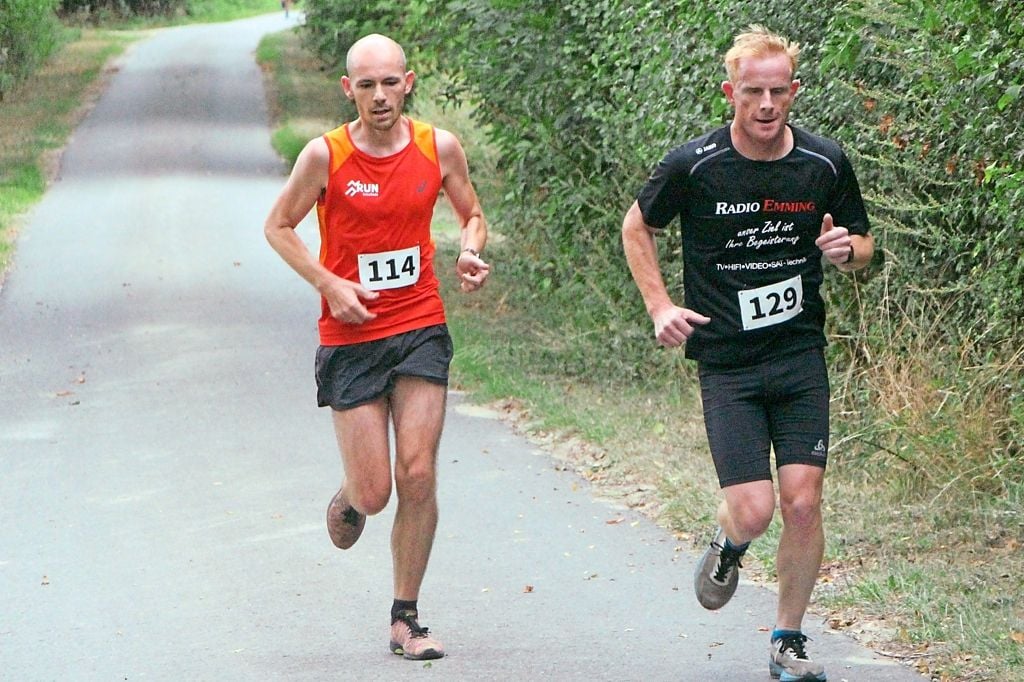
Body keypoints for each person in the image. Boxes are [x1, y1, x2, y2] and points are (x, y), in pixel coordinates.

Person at [621, 25, 873, 682]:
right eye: (752, 93)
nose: (766, 106)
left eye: (777, 92)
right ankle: (730, 545)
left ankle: (786, 641)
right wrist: (659, 305)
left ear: (795, 91)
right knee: (756, 509)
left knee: (803, 500)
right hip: (728, 365)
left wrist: (850, 253)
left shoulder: (823, 163)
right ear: (730, 93)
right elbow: (637, 226)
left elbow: (864, 244)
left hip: (798, 357)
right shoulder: (695, 165)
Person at [264, 33, 489, 661]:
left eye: (390, 82)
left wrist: (470, 250)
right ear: (348, 90)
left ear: (408, 81)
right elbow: (277, 226)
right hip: (352, 335)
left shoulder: (437, 146)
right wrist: (329, 282)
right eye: (367, 85)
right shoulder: (325, 156)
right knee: (375, 493)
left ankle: (405, 618)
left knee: (417, 473)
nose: (380, 95)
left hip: (419, 323)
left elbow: (472, 213)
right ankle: (350, 494)